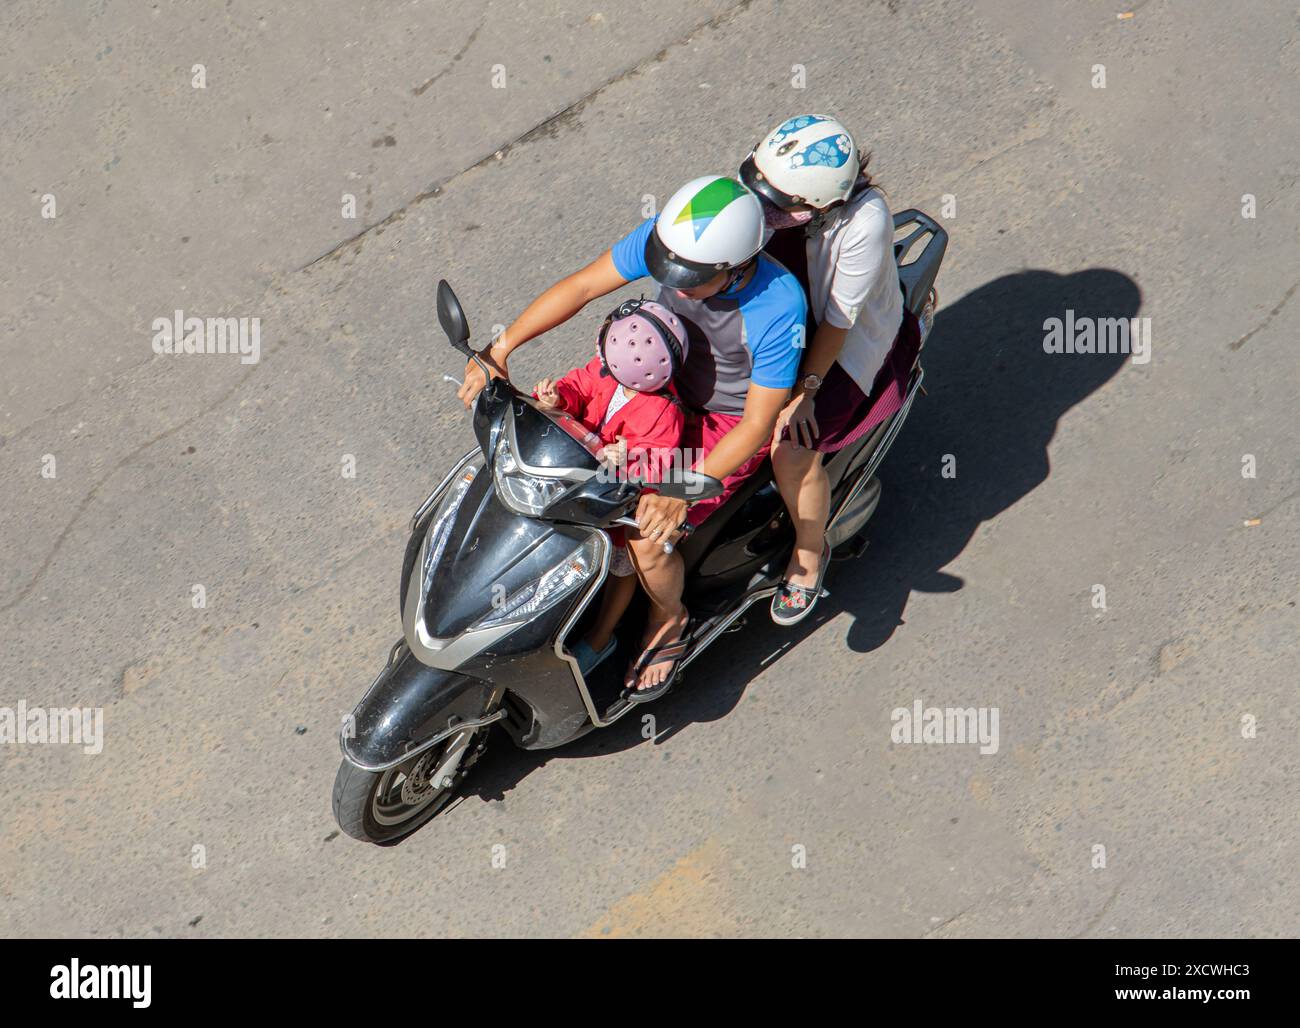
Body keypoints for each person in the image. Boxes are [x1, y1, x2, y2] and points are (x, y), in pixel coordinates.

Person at [458, 175, 807, 697]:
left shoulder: (778, 306)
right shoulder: (670, 241)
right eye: (670, 271)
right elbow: (582, 286)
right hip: (649, 387)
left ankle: (669, 617)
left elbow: (758, 422)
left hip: (719, 424)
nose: (676, 284)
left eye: (690, 279)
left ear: (737, 269)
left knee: (645, 536)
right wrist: (498, 350)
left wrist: (679, 490)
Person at [739, 115, 923, 625]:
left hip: (840, 344)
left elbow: (839, 323)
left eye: (778, 204)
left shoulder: (865, 223)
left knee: (792, 448)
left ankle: (807, 553)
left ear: (815, 206)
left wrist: (805, 392)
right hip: (784, 306)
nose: (762, 207)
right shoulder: (774, 199)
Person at [532, 299, 688, 676]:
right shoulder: (602, 373)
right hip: (581, 477)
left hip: (622, 500)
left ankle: (601, 636)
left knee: (624, 564)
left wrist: (628, 456)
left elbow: (657, 461)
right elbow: (577, 386)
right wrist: (558, 398)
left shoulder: (663, 411)